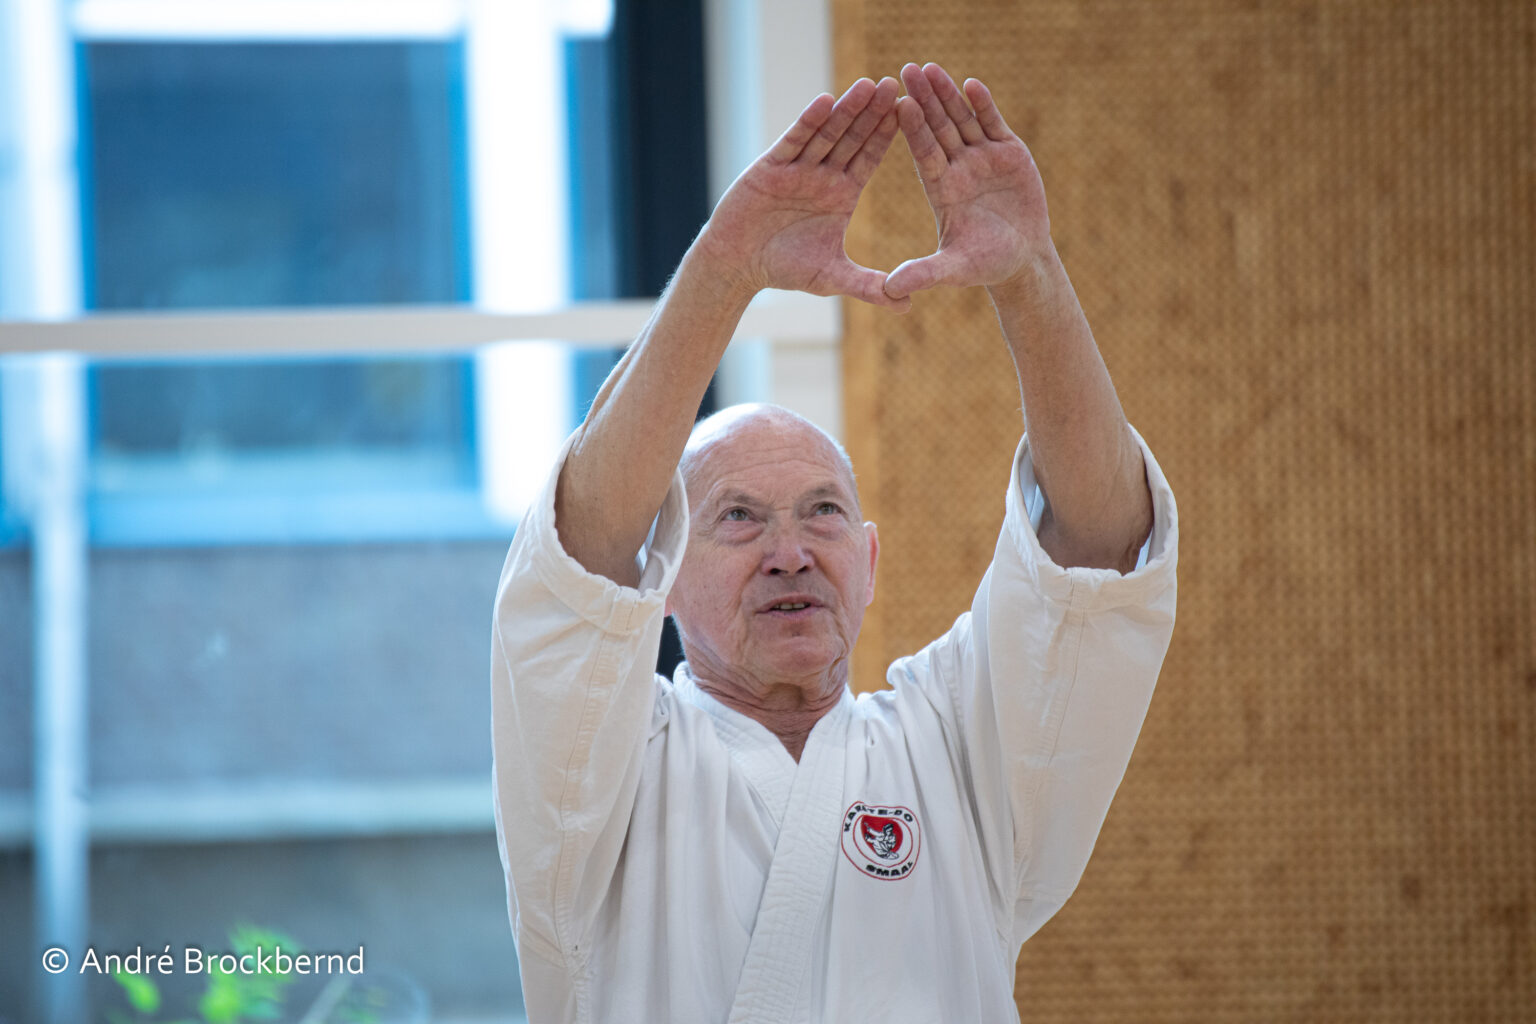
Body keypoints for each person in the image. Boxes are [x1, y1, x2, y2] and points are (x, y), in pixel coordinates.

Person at [490, 63, 1178, 1023]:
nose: (791, 551)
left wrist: (1030, 275)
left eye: (823, 513)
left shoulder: (951, 748)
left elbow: (1098, 562)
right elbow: (582, 566)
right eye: (738, 518)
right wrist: (724, 272)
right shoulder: (608, 772)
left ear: (868, 559)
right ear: (665, 581)